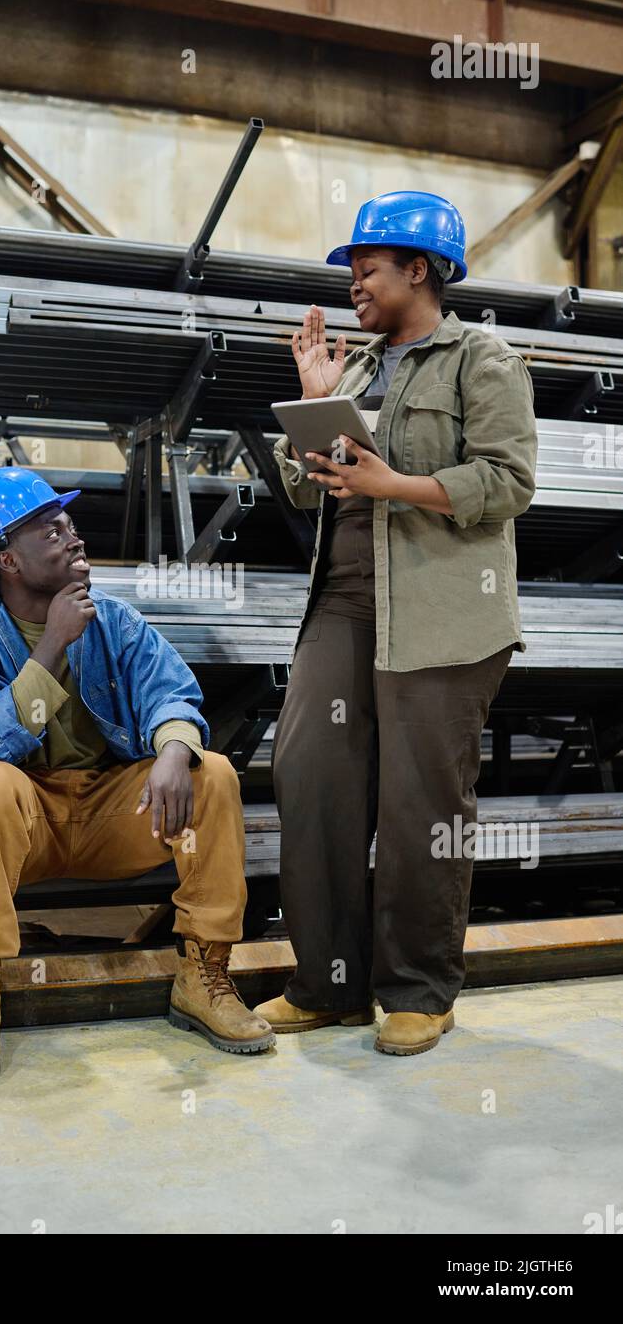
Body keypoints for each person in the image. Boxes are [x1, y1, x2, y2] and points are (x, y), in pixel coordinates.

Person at [254, 190, 537, 1055]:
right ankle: (328, 984)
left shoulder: (480, 361)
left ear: (420, 269)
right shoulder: (360, 368)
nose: (353, 286)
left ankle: (418, 989)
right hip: (342, 604)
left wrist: (395, 486)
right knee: (311, 781)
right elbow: (306, 489)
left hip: (440, 611)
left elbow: (508, 482)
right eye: (350, 272)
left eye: (367, 269)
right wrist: (313, 406)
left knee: (421, 807)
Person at [0, 467, 274, 1081]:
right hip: (24, 825)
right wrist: (52, 644)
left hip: (113, 819)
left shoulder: (114, 621)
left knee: (209, 773)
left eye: (69, 524)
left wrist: (172, 750)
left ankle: (204, 976)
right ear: (7, 559)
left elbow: (174, 696)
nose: (74, 537)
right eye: (51, 532)